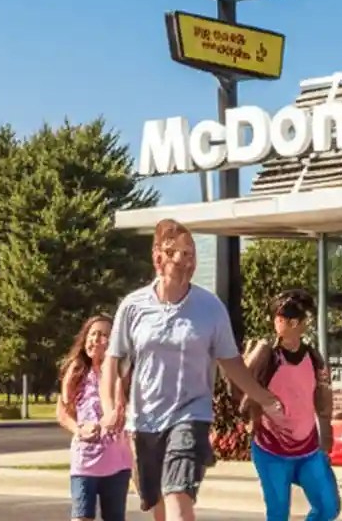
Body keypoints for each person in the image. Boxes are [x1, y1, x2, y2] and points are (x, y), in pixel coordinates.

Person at [100, 219, 284, 521]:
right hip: (144, 421)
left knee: (178, 494)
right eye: (177, 254)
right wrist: (109, 408)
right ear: (158, 257)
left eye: (191, 254)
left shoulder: (210, 307)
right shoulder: (133, 307)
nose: (186, 261)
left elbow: (231, 362)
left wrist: (264, 398)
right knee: (156, 501)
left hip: (191, 415)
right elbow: (112, 360)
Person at [240, 288, 341, 521]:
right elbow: (241, 386)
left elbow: (323, 404)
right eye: (278, 317)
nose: (281, 322)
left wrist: (325, 443)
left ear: (301, 323)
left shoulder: (313, 358)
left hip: (308, 449)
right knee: (278, 513)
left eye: (288, 319)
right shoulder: (267, 355)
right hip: (270, 449)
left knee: (328, 507)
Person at [56, 314, 133, 521]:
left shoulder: (123, 372)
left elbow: (124, 410)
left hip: (118, 462)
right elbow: (63, 412)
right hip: (85, 462)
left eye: (103, 336)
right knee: (81, 517)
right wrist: (78, 430)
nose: (95, 340)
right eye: (92, 334)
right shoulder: (76, 370)